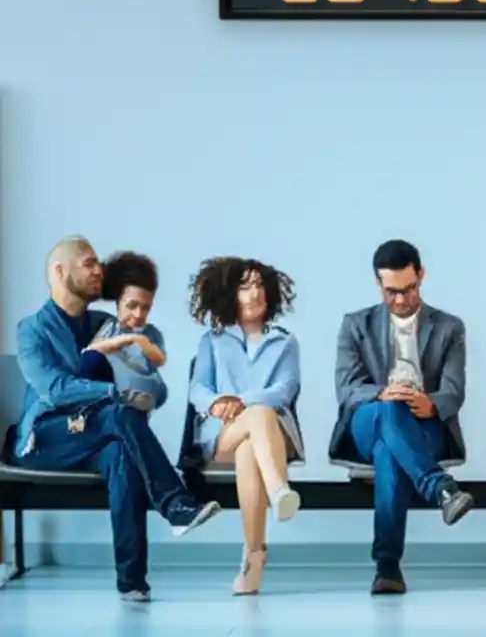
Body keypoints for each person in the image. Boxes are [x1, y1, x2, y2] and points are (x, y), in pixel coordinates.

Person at [6, 236, 220, 601]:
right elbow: (56, 390)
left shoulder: (105, 323)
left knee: (122, 454)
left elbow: (150, 381)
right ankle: (175, 504)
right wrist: (112, 394)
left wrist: (142, 364)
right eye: (88, 263)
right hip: (43, 438)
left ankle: (132, 581)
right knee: (119, 415)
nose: (98, 270)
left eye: (97, 263)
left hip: (94, 430)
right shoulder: (32, 329)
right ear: (60, 272)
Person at [331, 239, 474, 594]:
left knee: (388, 455)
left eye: (408, 289)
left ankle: (387, 567)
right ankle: (438, 487)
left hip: (424, 423)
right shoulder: (356, 325)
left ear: (421, 276)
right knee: (389, 408)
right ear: (378, 284)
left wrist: (432, 404)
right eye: (391, 291)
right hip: (370, 418)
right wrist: (382, 393)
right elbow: (347, 389)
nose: (399, 299)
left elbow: (454, 391)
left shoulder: (449, 327)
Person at [183, 257, 304, 596]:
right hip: (222, 434)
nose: (254, 294)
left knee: (256, 432)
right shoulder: (213, 340)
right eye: (244, 286)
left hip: (274, 434)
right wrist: (218, 403)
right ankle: (279, 490)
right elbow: (197, 388)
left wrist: (243, 401)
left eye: (258, 285)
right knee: (256, 416)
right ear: (230, 295)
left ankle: (252, 559)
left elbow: (285, 389)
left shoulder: (285, 341)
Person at [88, 251, 168, 412]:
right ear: (118, 303)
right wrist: (126, 339)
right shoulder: (111, 328)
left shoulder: (151, 333)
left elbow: (160, 359)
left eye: (145, 308)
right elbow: (91, 351)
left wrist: (143, 342)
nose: (138, 314)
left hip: (145, 392)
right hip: (117, 393)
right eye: (132, 306)